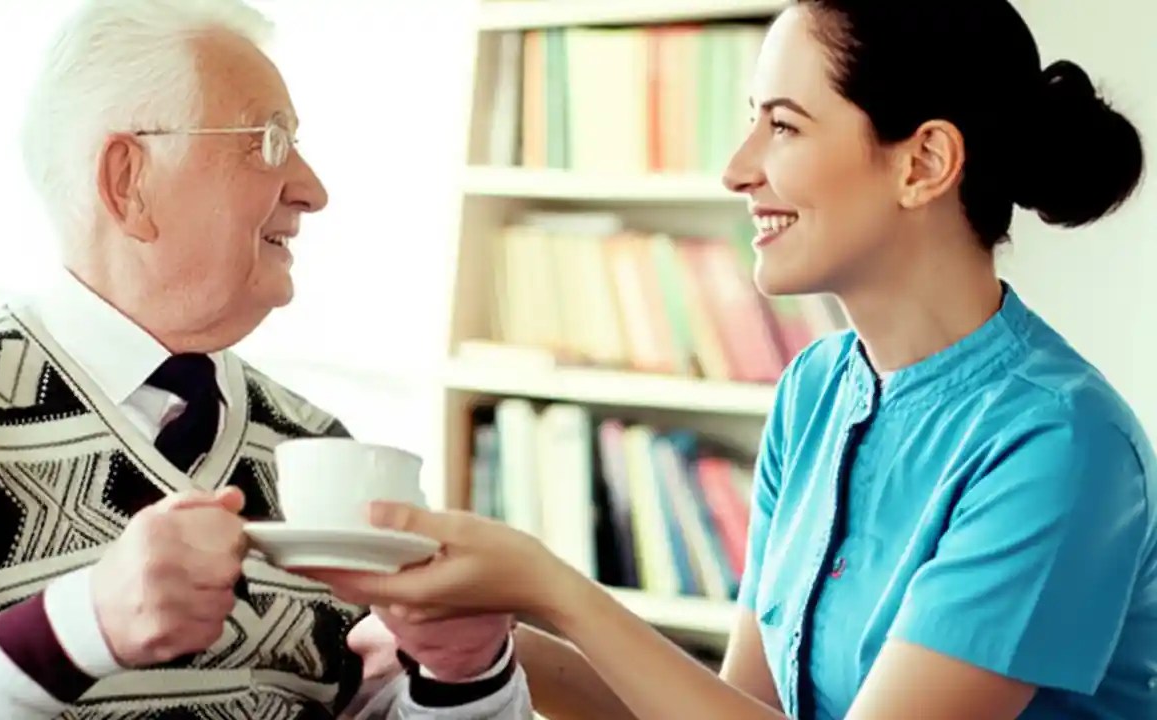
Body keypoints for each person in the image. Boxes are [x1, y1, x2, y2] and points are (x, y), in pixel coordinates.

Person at [311, 1, 1157, 719]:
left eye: (782, 124)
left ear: (923, 162)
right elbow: (741, 707)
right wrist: (493, 632)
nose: (736, 169)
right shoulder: (817, 388)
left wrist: (553, 587)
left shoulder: (1060, 445)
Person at [0, 0, 531, 718]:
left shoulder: (316, 448)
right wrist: (78, 627)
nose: (313, 189)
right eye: (270, 140)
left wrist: (465, 675)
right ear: (128, 180)